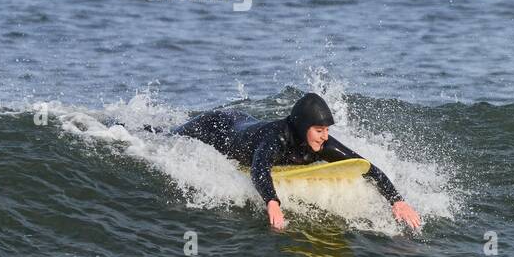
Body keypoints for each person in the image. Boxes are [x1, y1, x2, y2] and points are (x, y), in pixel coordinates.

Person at [173, 93, 422, 231]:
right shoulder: (275, 139)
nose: (325, 136)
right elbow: (259, 169)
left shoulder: (322, 143)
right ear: (303, 127)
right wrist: (272, 202)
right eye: (319, 130)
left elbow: (365, 167)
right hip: (220, 128)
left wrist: (397, 200)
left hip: (244, 121)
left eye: (326, 130)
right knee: (164, 135)